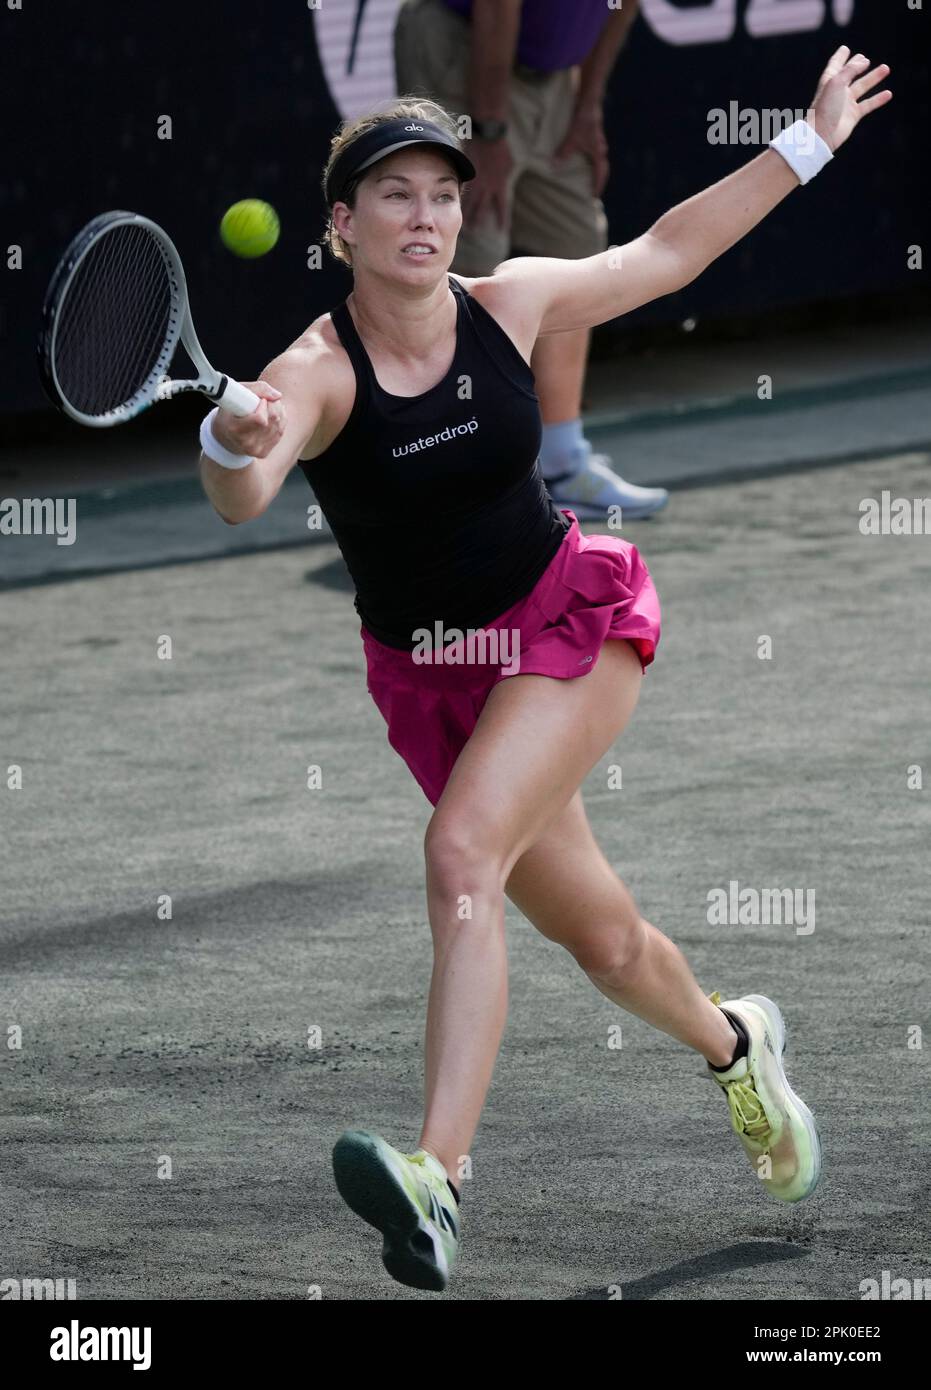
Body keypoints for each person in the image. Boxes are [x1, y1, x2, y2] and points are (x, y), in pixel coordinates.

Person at [196, 47, 891, 1293]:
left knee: (462, 857)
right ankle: (741, 1047)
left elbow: (665, 253)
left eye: (442, 193)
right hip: (434, 682)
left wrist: (808, 142)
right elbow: (246, 494)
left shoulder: (506, 300)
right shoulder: (312, 372)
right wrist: (224, 433)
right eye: (394, 195)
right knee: (610, 944)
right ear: (341, 226)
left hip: (567, 619)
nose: (426, 215)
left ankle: (439, 1179)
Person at [394, 0, 670, 521]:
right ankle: (443, 486)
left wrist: (587, 103)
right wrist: (489, 133)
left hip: (553, 76)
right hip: (462, 47)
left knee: (577, 251)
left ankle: (562, 464)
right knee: (462, 258)